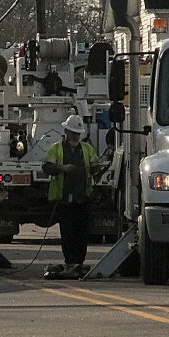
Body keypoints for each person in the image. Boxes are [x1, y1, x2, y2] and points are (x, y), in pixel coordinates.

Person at [41, 113, 100, 279]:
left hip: (82, 198)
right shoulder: (56, 149)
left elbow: (95, 166)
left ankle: (78, 262)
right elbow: (46, 167)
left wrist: (96, 169)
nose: (75, 136)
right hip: (64, 199)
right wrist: (63, 168)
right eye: (73, 133)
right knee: (67, 233)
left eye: (77, 134)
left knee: (82, 232)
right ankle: (70, 262)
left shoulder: (87, 149)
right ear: (66, 131)